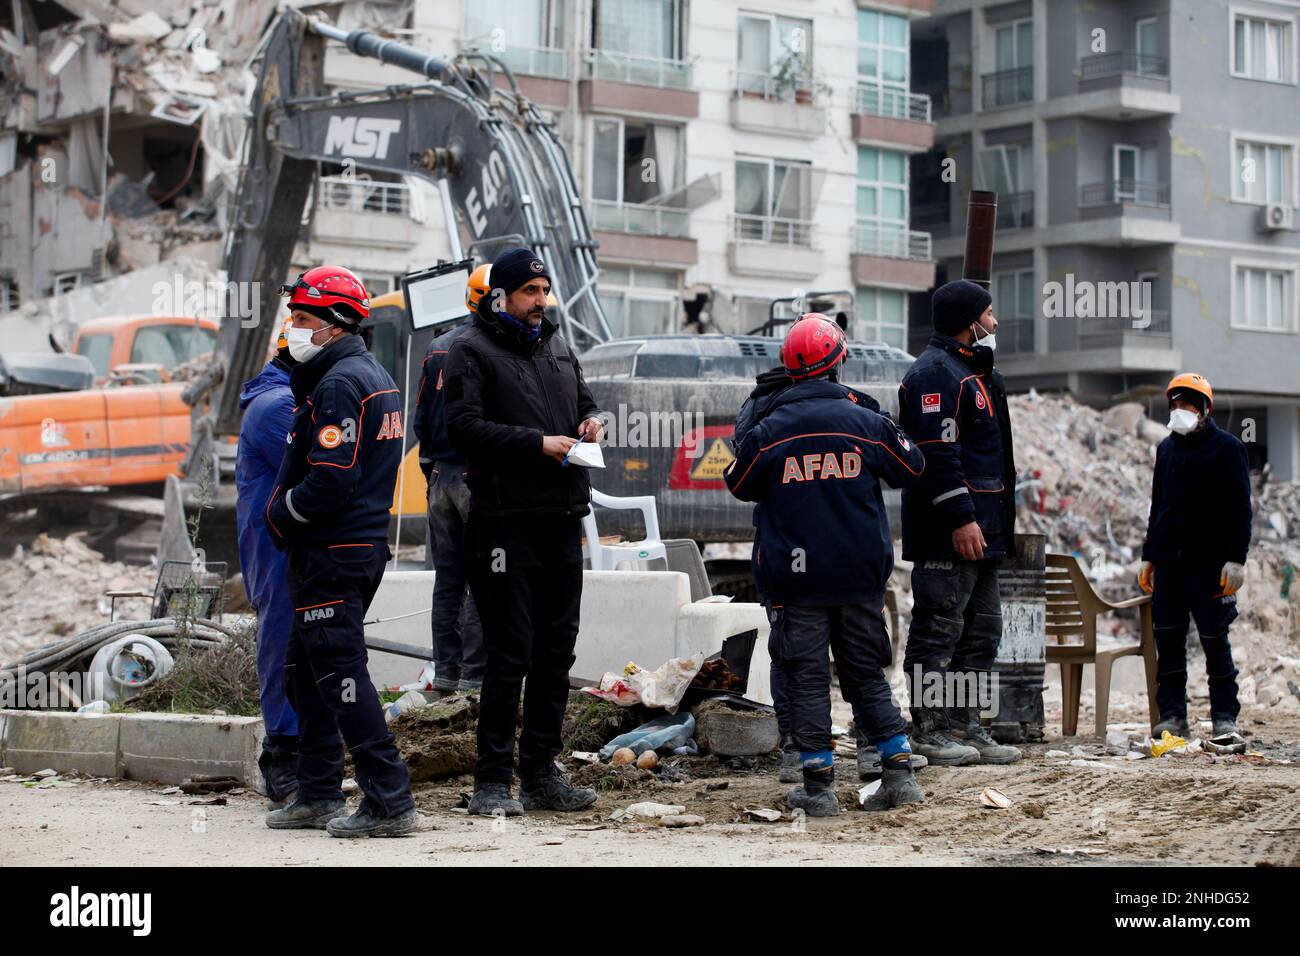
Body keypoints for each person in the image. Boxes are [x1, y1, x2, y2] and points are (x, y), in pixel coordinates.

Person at [725, 313, 927, 815]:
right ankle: (897, 773)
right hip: (859, 576)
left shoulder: (770, 430)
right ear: (838, 363)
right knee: (866, 674)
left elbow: (738, 483)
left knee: (807, 677)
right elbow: (913, 466)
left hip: (796, 581)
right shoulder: (867, 422)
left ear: (790, 370)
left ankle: (817, 787)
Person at [443, 247, 604, 816]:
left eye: (544, 291)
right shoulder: (468, 350)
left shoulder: (559, 345)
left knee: (555, 649)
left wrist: (591, 421)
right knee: (509, 652)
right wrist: (536, 444)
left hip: (562, 518)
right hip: (503, 523)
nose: (541, 302)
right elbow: (461, 429)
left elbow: (584, 402)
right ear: (500, 296)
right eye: (531, 292)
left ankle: (540, 775)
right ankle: (490, 782)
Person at [262, 265, 417, 838]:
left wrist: (281, 514)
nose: (292, 330)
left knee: (342, 676)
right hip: (354, 546)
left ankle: (389, 799)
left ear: (331, 325)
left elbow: (330, 479)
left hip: (334, 549)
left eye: (301, 319)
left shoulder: (337, 383)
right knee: (308, 674)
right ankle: (319, 791)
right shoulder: (361, 373)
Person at [898, 279, 1022, 766]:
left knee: (982, 630)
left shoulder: (978, 373)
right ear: (971, 322)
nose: (994, 323)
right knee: (938, 629)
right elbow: (936, 454)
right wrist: (960, 517)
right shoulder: (935, 374)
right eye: (989, 314)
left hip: (986, 529)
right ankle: (928, 730)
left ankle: (965, 724)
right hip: (949, 529)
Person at [1139, 373, 1252, 739]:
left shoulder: (1228, 448)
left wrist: (1236, 559)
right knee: (1168, 646)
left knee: (1215, 643)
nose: (1179, 410)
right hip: (1170, 566)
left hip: (1211, 568)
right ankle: (1172, 716)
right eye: (1174, 404)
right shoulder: (1165, 450)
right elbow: (1158, 508)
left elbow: (1240, 510)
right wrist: (1149, 556)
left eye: (1187, 404)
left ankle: (1225, 717)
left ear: (1205, 409)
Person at [411, 267, 488, 695]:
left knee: (449, 580)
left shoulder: (438, 348)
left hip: (441, 476)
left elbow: (422, 420)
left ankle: (446, 675)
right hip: (475, 479)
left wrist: (434, 470)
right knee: (484, 580)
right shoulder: (491, 347)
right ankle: (475, 680)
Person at [235, 318, 299, 807]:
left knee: (296, 648)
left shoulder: (281, 399)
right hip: (278, 548)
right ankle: (282, 762)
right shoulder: (279, 406)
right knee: (283, 646)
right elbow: (320, 471)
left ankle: (296, 758)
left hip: (279, 545)